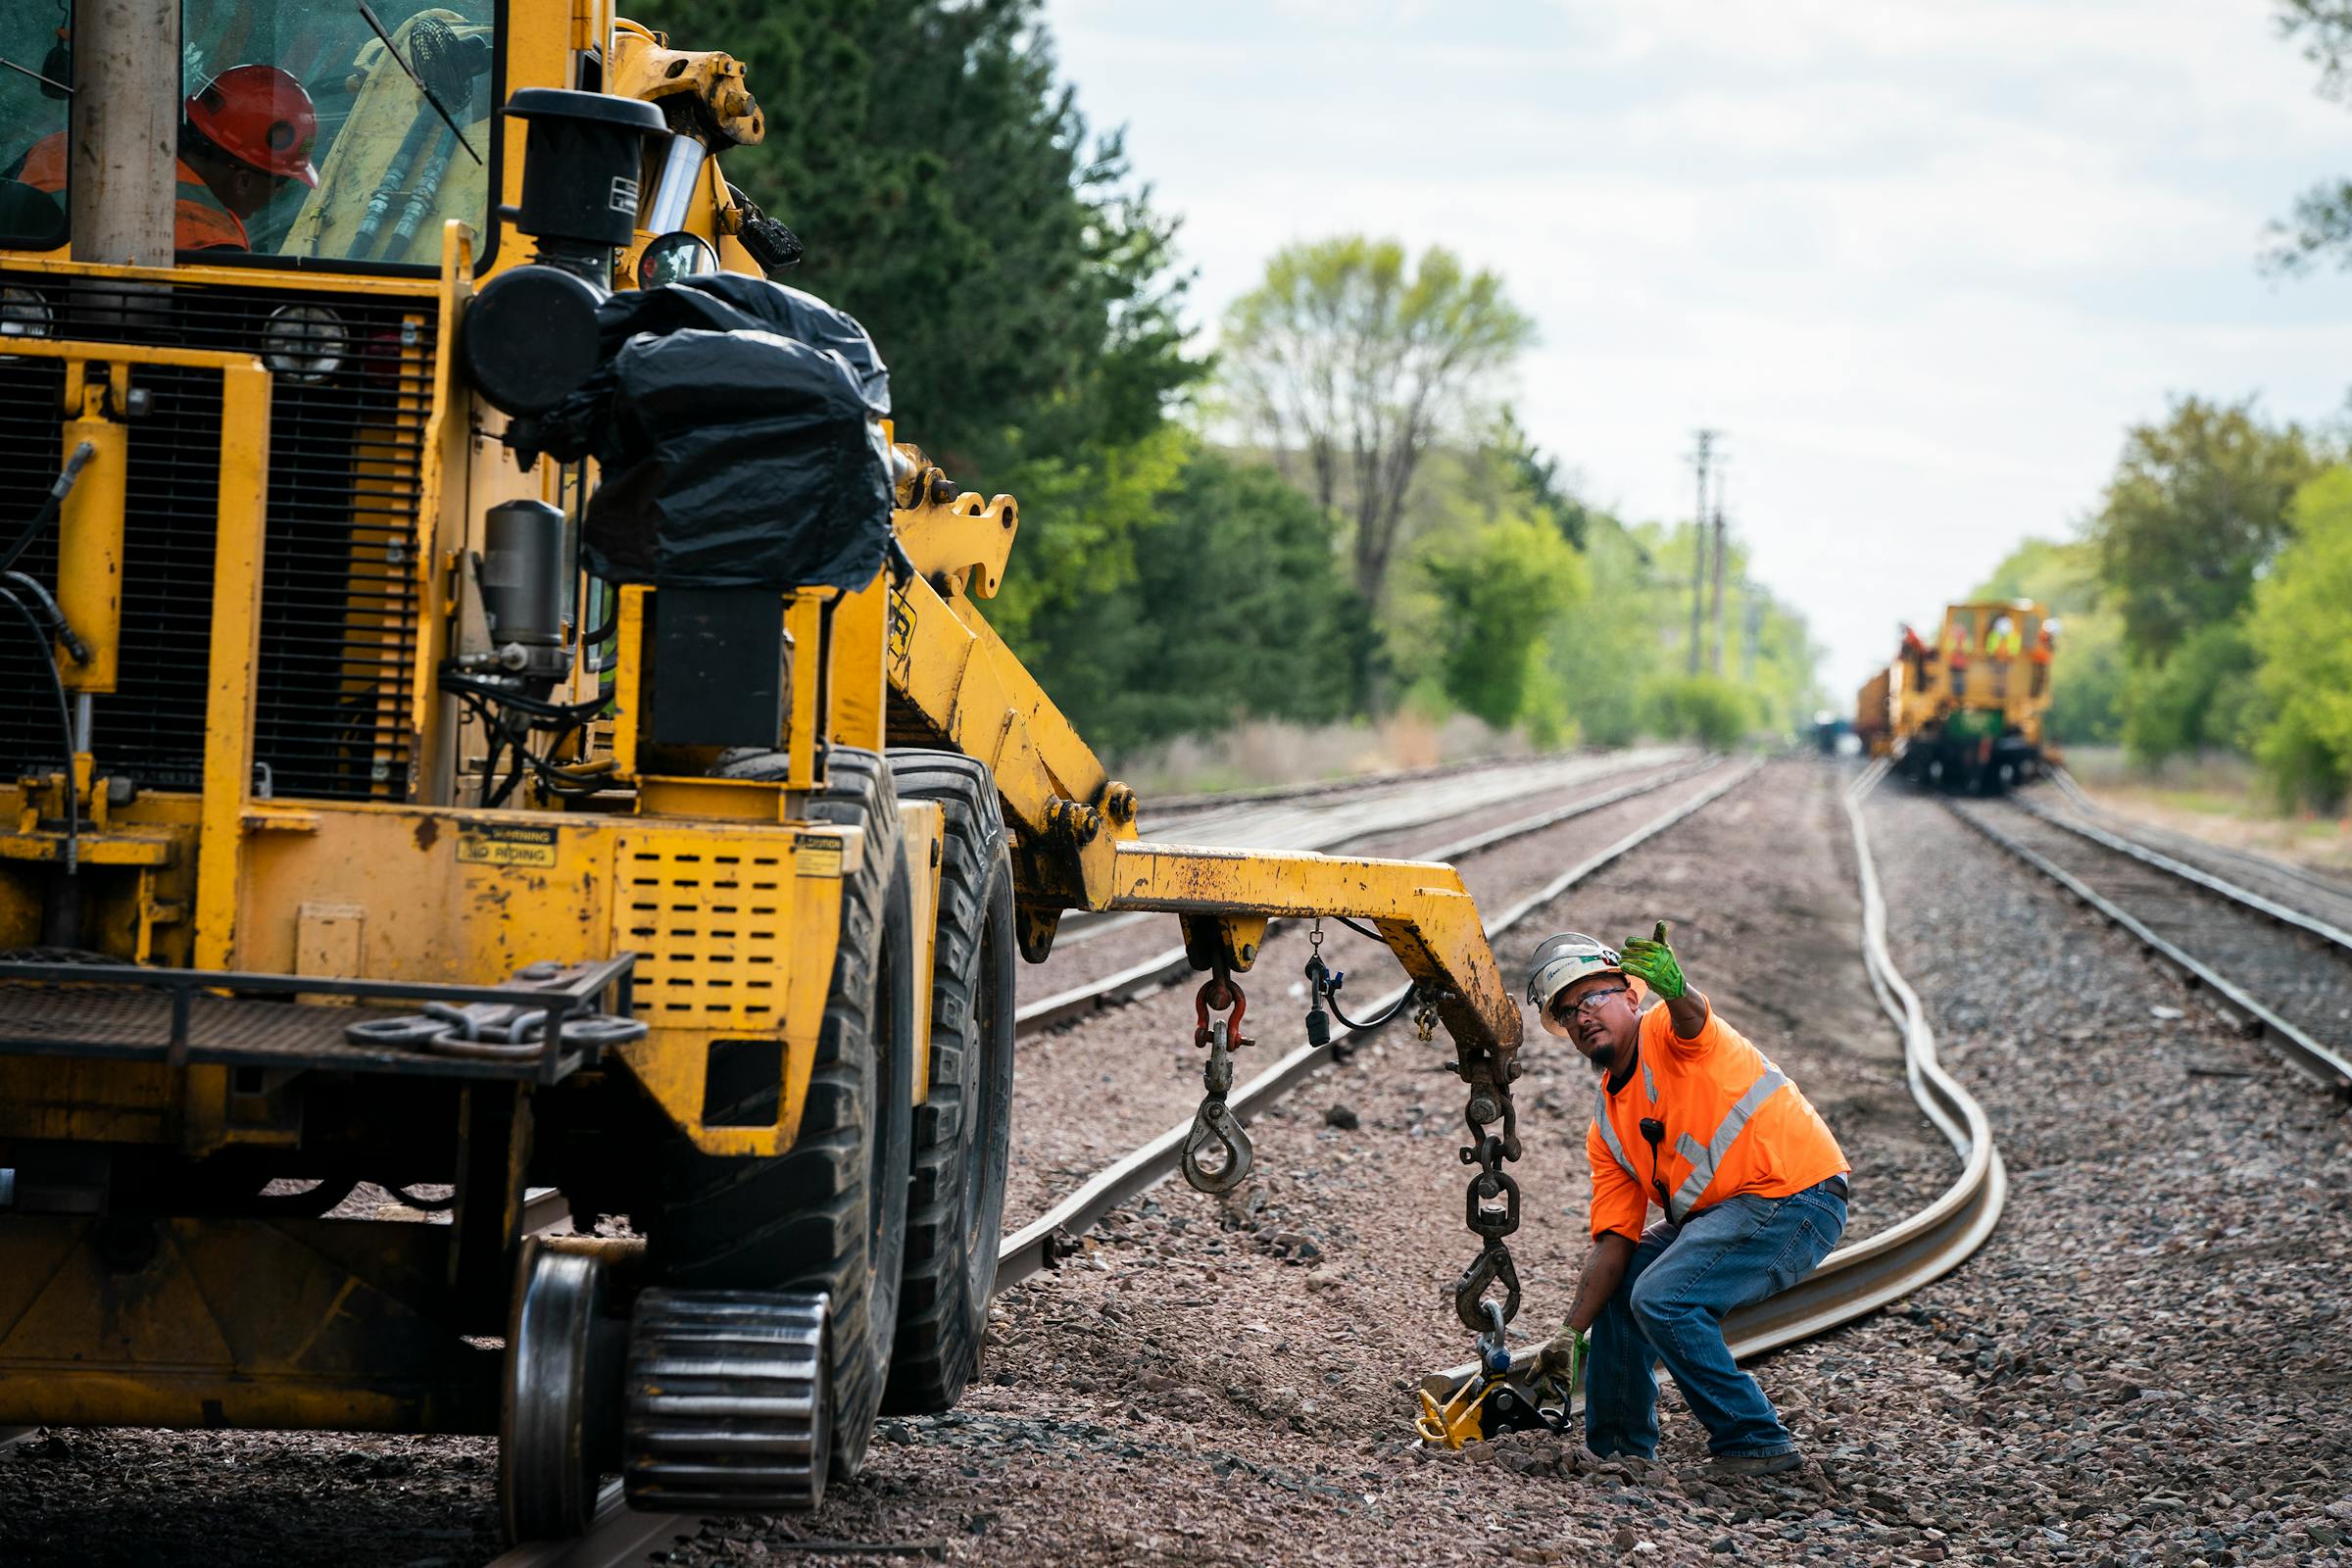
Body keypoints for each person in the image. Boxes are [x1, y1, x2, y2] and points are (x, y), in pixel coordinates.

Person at [1524, 926, 1849, 1476]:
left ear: (1632, 997)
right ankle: (1618, 1451)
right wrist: (1569, 1331)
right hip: (1730, 1214)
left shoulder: (1669, 1033)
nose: (1582, 1016)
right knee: (1627, 1286)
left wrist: (1676, 987)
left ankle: (1755, 1441)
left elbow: (1694, 1017)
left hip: (1796, 1197)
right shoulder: (1607, 1126)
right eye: (1569, 1010)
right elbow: (1613, 1243)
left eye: (1594, 997)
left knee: (1663, 1296)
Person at [8, 64, 318, 251]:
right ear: (244, 181)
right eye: (283, 185)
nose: (277, 197)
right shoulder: (214, 242)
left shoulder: (59, 146)